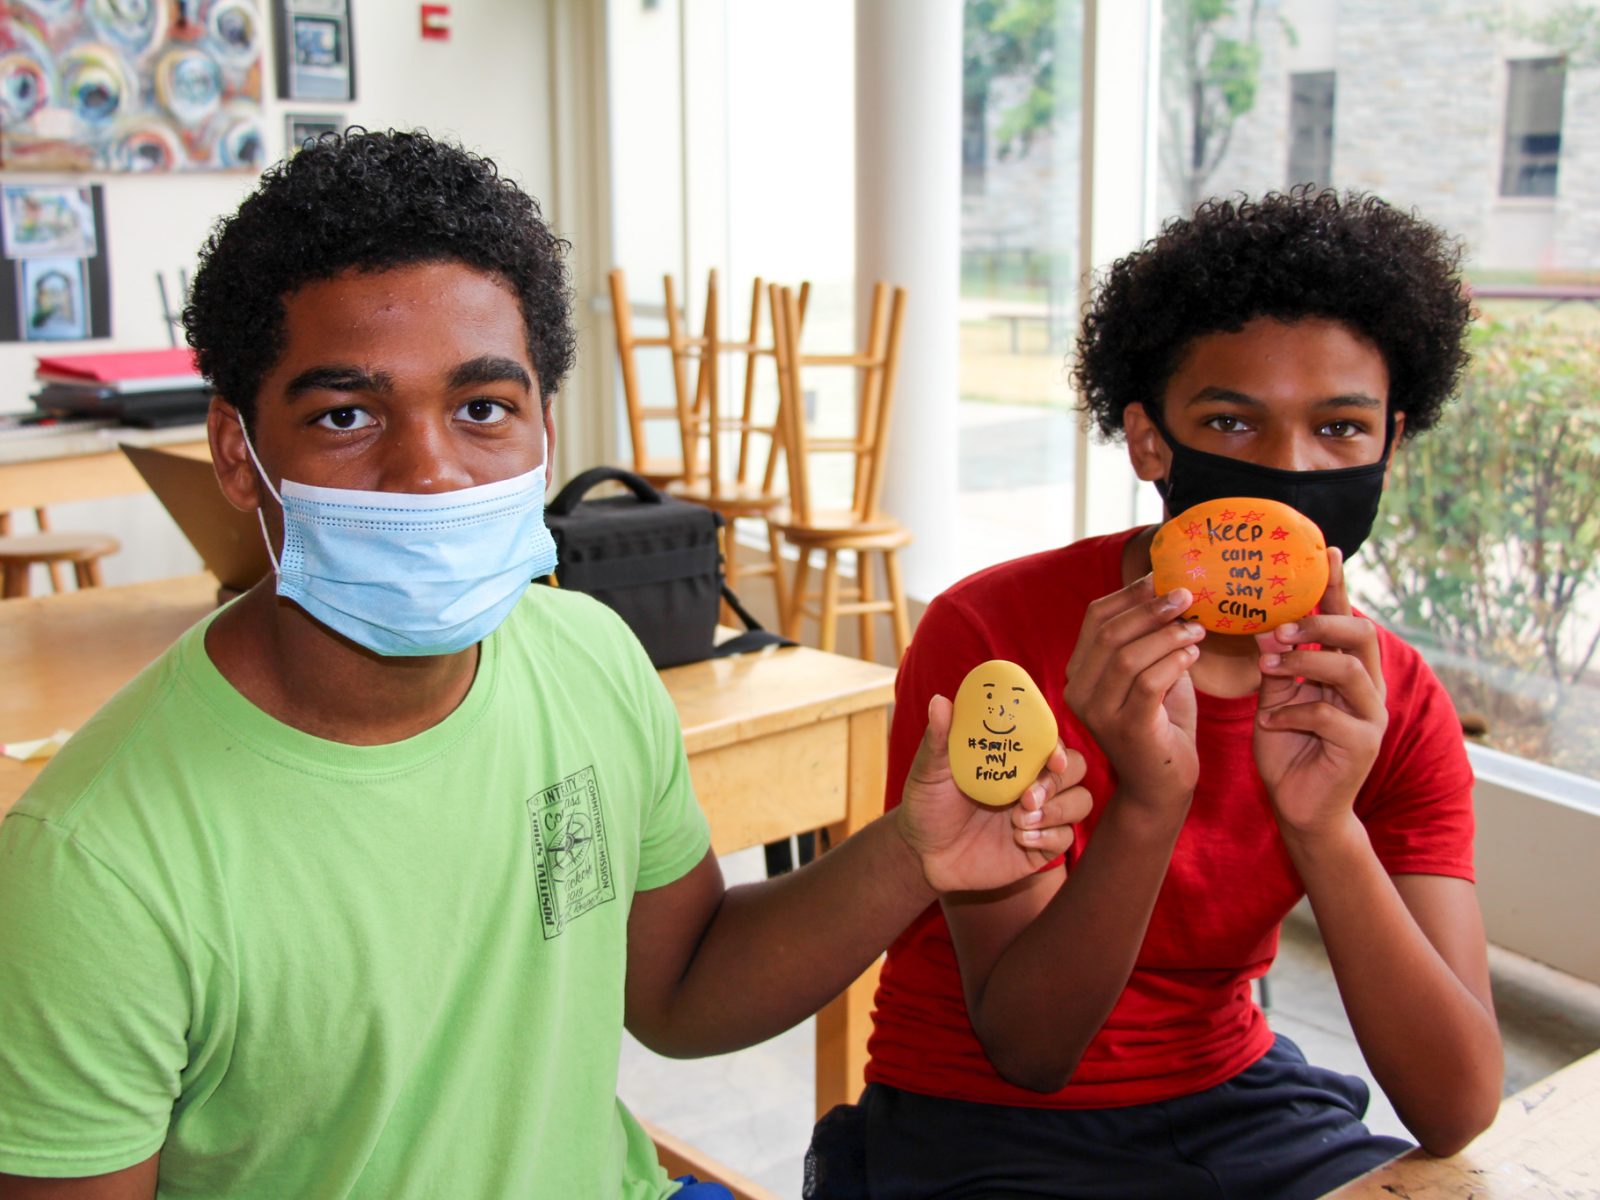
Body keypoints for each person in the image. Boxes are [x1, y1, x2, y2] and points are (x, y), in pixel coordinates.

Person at [0, 130, 1091, 1199]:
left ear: (545, 431)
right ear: (240, 455)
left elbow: (678, 988)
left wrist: (911, 854)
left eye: (482, 409)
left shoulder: (586, 659)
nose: (428, 473)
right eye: (345, 415)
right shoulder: (94, 869)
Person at [805, 189, 1504, 1200]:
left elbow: (1453, 1106)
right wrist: (1147, 800)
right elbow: (1027, 1049)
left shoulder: (1388, 702)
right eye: (1232, 421)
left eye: (1340, 428)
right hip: (981, 1119)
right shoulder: (994, 640)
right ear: (1149, 442)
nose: (1287, 471)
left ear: (1389, 443)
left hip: (1235, 1097)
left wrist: (1325, 827)